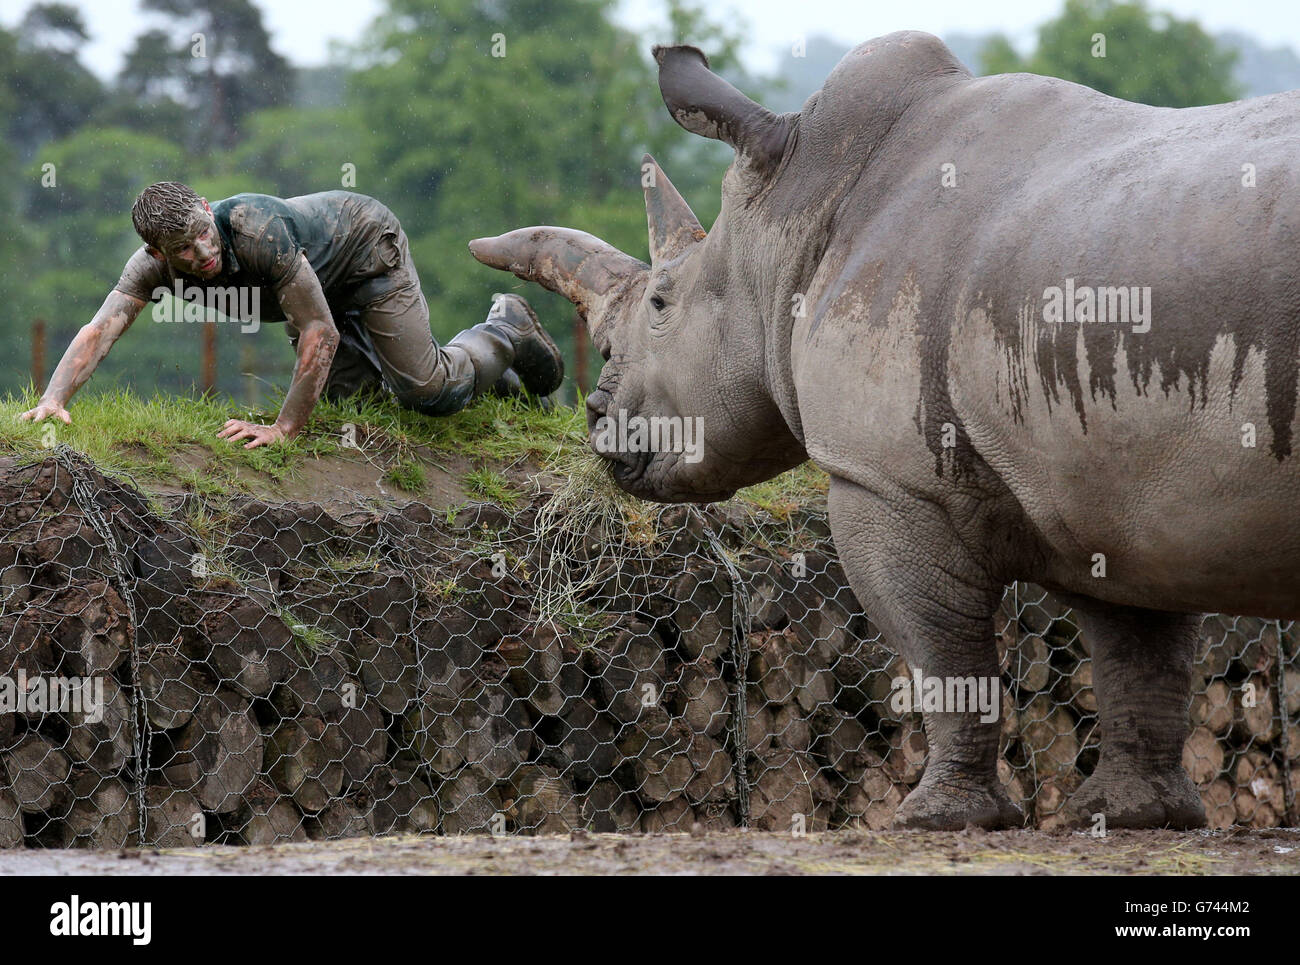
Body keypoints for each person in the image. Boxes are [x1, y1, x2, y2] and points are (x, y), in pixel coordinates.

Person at [19, 182, 563, 448]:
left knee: (426, 391)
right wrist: (54, 398)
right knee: (357, 405)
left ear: (209, 211)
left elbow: (318, 329)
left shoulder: (259, 232)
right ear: (158, 253)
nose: (202, 254)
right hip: (315, 291)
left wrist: (283, 427)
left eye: (203, 235)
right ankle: (505, 393)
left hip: (365, 255)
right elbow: (101, 328)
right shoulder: (149, 268)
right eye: (183, 250)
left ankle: (504, 329)